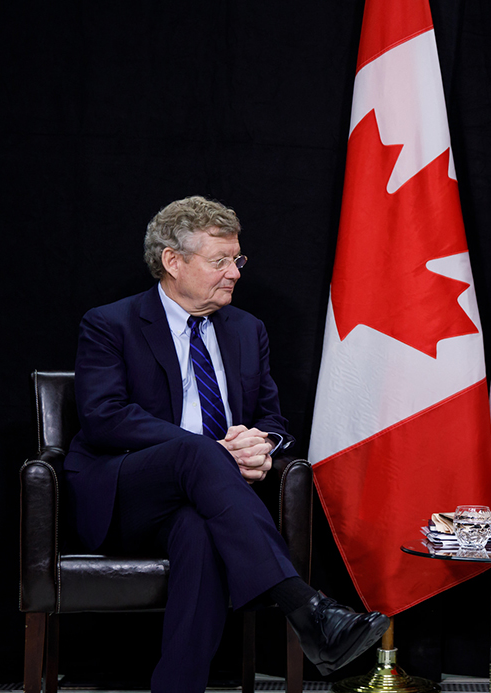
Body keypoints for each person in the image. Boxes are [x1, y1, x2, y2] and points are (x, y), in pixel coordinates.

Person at [64, 196, 389, 692]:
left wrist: (260, 444)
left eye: (237, 260)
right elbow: (104, 418)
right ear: (173, 262)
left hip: (206, 503)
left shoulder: (246, 329)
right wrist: (216, 450)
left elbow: (274, 420)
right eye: (219, 261)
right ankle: (306, 608)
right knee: (197, 449)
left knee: (197, 533)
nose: (234, 273)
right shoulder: (111, 324)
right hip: (126, 495)